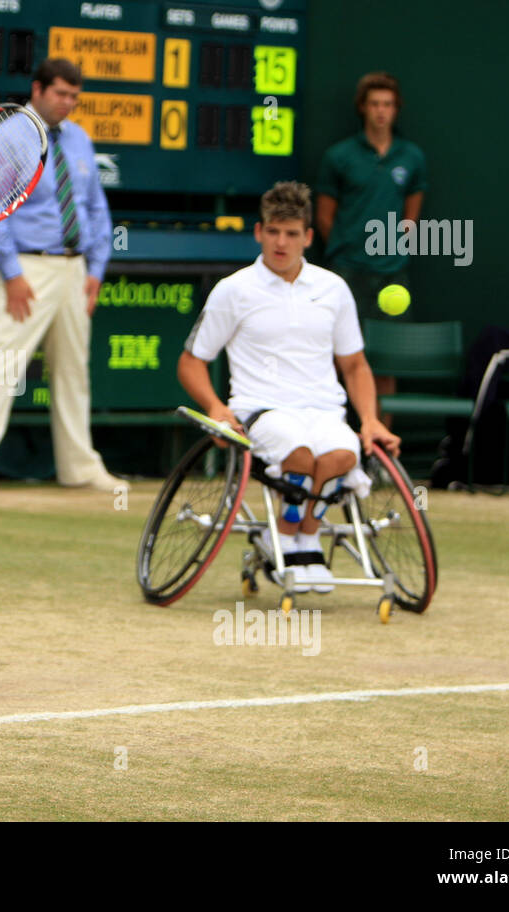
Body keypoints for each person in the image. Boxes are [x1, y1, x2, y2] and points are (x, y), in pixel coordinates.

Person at [177, 181, 400, 593]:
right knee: (297, 452)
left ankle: (305, 537)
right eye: (273, 231)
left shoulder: (334, 289)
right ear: (259, 232)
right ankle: (285, 537)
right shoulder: (234, 290)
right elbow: (192, 362)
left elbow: (354, 365)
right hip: (260, 411)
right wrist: (215, 407)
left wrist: (369, 420)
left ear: (308, 237)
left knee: (341, 453)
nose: (282, 242)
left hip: (323, 412)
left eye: (292, 233)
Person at [0, 58, 121, 494]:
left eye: (75, 96)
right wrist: (12, 274)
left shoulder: (79, 139)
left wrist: (95, 269)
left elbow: (96, 207)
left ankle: (78, 466)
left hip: (74, 268)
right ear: (37, 90)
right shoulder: (10, 136)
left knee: (73, 369)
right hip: (25, 267)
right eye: (61, 93)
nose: (68, 103)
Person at [316, 71, 427, 404]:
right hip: (347, 272)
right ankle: (338, 441)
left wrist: (394, 249)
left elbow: (412, 214)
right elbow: (324, 216)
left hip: (392, 273)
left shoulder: (412, 157)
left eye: (388, 104)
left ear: (396, 109)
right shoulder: (339, 157)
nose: (381, 111)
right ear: (363, 108)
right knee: (339, 360)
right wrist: (343, 252)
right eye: (375, 104)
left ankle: (379, 452)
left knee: (385, 366)